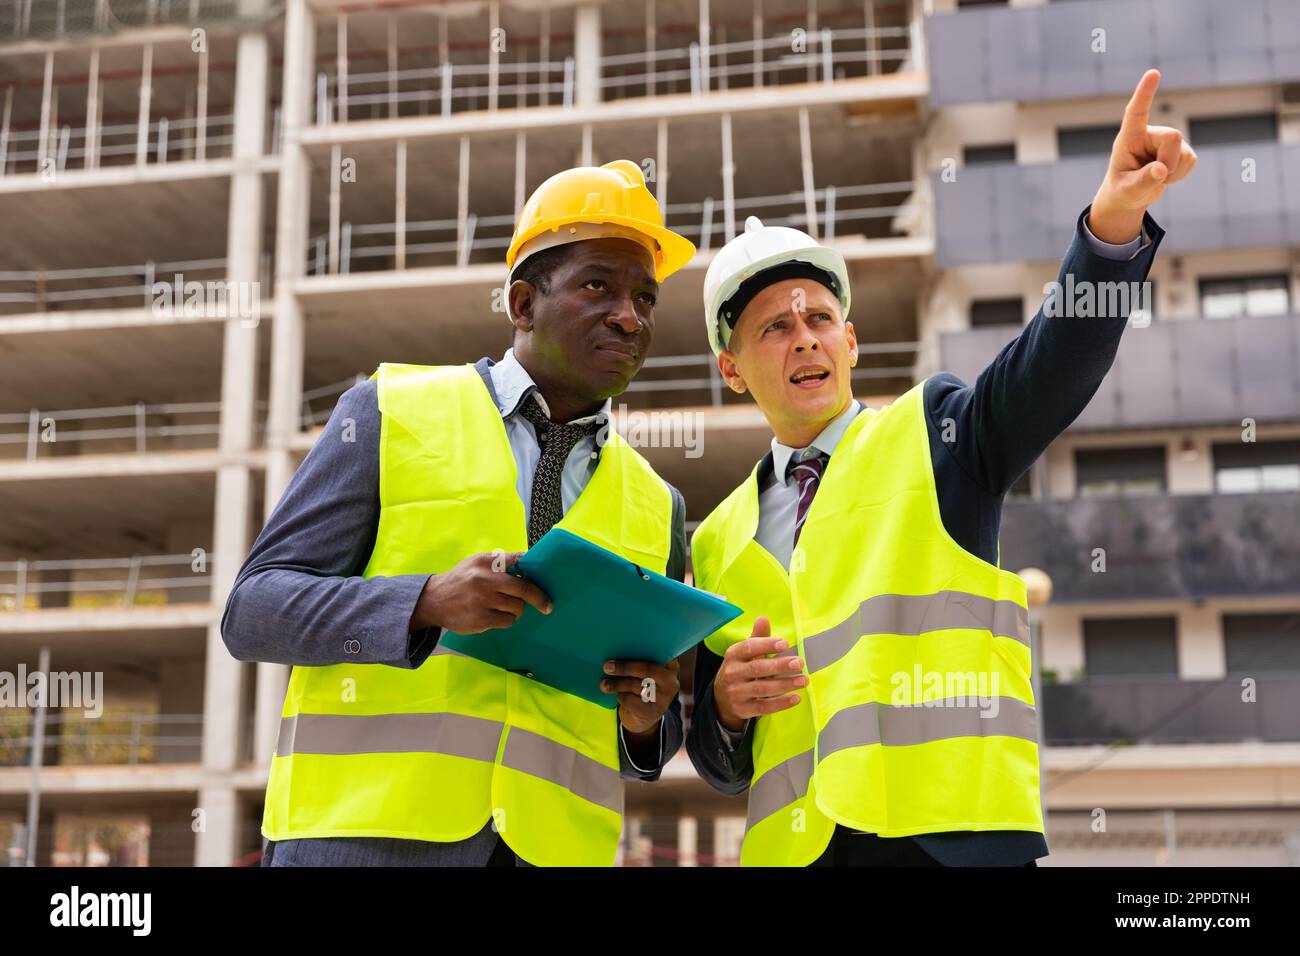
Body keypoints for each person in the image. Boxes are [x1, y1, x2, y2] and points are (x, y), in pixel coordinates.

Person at [685, 70, 1196, 866]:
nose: (806, 338)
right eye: (775, 328)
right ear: (732, 367)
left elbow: (1050, 367)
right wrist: (722, 708)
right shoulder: (714, 541)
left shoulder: (939, 434)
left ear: (851, 344)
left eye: (821, 319)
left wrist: (1113, 224)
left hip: (950, 846)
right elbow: (720, 764)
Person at [223, 160, 698, 866]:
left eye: (645, 299)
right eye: (598, 284)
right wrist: (425, 602)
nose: (629, 316)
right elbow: (253, 613)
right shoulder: (390, 413)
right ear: (522, 304)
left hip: (554, 851)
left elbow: (642, 742)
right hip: (365, 842)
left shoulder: (659, 505)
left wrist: (646, 718)